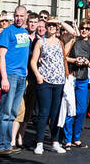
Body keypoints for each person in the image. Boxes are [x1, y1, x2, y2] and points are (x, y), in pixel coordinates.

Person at [0, 6, 31, 154]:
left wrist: (25, 68)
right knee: (5, 112)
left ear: (26, 16)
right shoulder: (8, 31)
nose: (19, 18)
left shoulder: (25, 32)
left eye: (21, 16)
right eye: (16, 16)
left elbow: (23, 52)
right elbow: (1, 55)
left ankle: (6, 144)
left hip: (21, 76)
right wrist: (4, 78)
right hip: (10, 76)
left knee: (13, 113)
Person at [31, 19, 73, 154]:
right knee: (44, 112)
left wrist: (60, 21)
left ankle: (55, 141)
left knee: (56, 113)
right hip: (45, 81)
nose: (52, 27)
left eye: (54, 26)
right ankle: (39, 143)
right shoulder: (40, 42)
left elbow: (73, 32)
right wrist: (38, 75)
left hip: (59, 81)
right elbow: (33, 61)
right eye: (49, 25)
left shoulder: (61, 41)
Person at [62, 22, 90, 147]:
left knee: (81, 110)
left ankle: (76, 137)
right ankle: (67, 139)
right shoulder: (73, 40)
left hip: (83, 79)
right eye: (82, 28)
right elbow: (64, 57)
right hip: (71, 77)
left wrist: (86, 62)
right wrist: (75, 60)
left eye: (87, 29)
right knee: (70, 109)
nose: (84, 30)